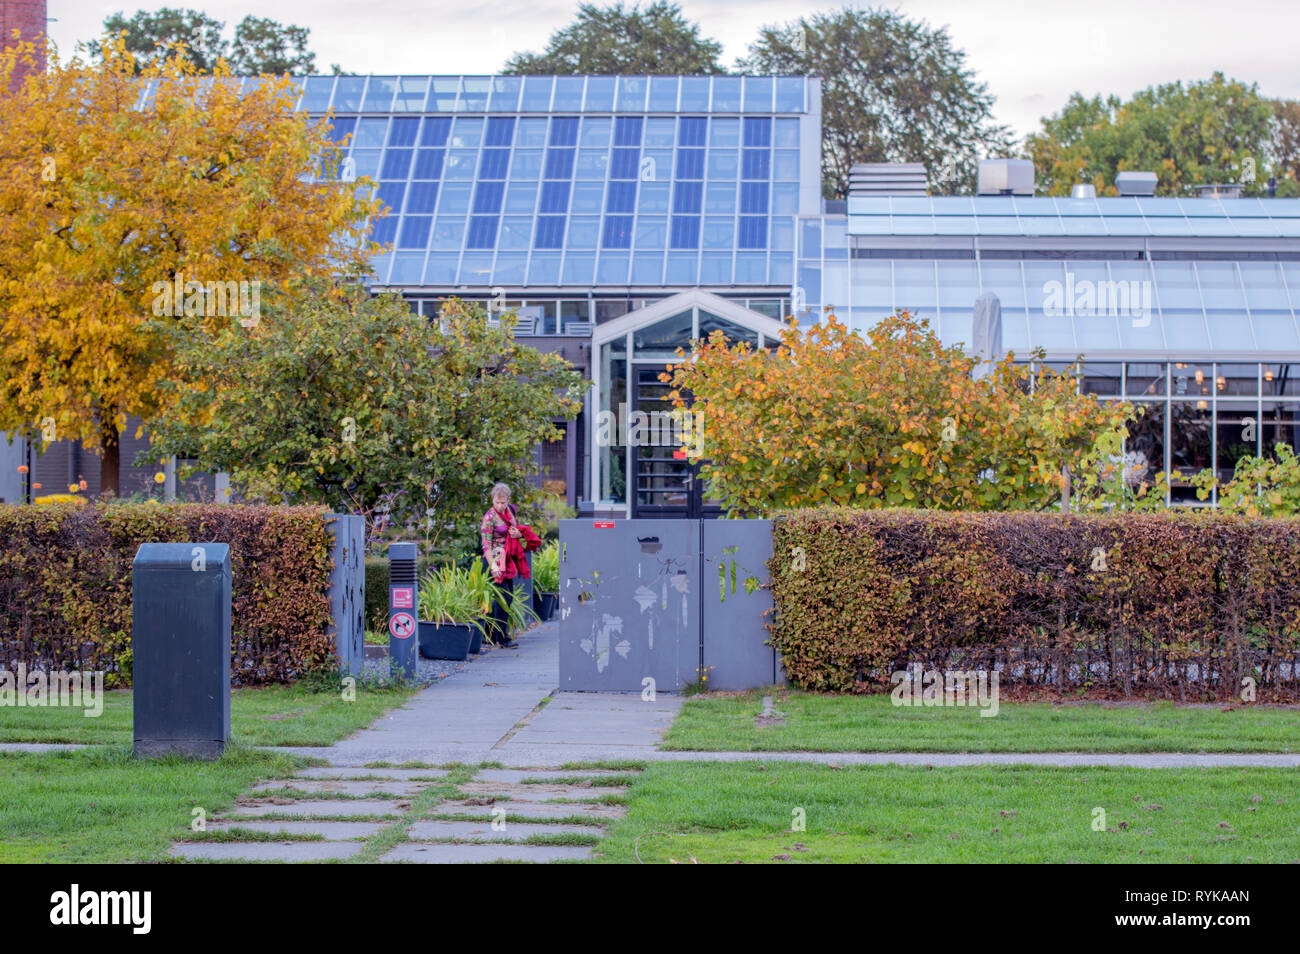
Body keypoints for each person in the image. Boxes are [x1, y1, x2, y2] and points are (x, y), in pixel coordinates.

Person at [479, 482, 540, 648]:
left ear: (508, 500)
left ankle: (491, 634)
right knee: (501, 598)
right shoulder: (489, 518)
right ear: (492, 500)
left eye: (503, 502)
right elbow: (485, 545)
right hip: (493, 561)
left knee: (506, 597)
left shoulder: (511, 511)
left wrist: (518, 534)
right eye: (496, 502)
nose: (499, 506)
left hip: (507, 560)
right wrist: (493, 566)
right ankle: (502, 638)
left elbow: (515, 531)